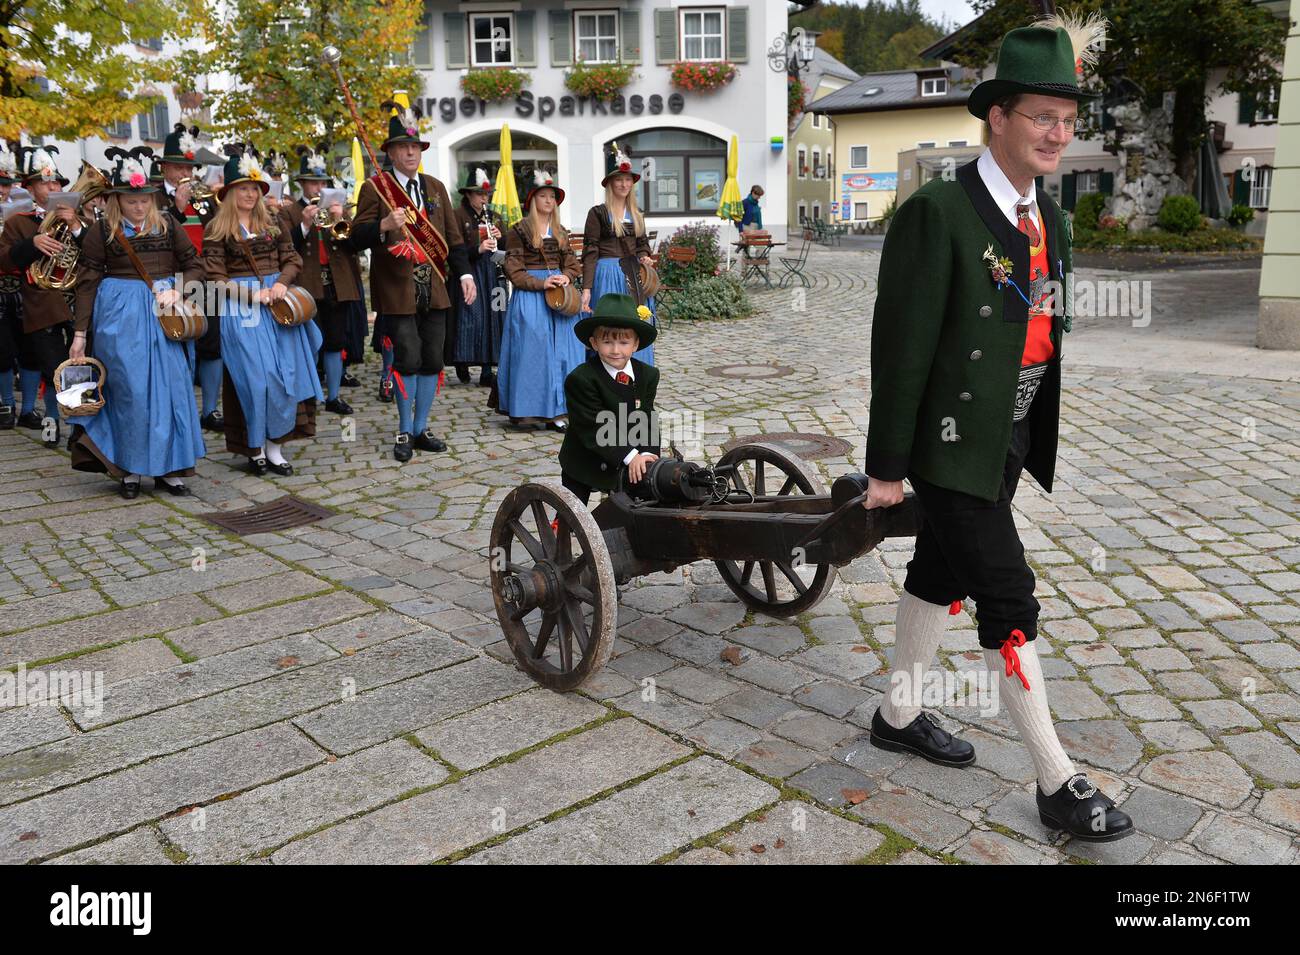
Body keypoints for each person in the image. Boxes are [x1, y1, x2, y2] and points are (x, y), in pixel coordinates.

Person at [862, 15, 1132, 842]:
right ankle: (1056, 777)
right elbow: (900, 345)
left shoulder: (1054, 219)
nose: (1059, 132)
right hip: (950, 443)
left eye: (1067, 118)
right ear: (998, 118)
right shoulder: (937, 213)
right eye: (1043, 116)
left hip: (1008, 435)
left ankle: (897, 713)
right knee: (1007, 595)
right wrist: (886, 467)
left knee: (939, 570)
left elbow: (1043, 327)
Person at [67, 146, 206, 498]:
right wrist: (80, 334)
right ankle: (129, 469)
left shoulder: (168, 224)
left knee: (171, 388)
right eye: (131, 201)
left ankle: (171, 468)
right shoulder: (102, 231)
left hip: (164, 314)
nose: (139, 207)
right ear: (117, 201)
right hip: (118, 315)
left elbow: (195, 264)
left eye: (144, 200)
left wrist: (178, 288)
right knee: (128, 392)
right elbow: (87, 282)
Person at [348, 101, 473, 462]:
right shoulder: (376, 189)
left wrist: (464, 273)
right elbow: (356, 237)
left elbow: (453, 238)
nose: (410, 152)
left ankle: (421, 427)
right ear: (389, 152)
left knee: (433, 359)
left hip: (432, 286)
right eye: (403, 147)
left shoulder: (434, 187)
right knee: (407, 358)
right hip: (398, 289)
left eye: (415, 146)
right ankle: (404, 428)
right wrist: (383, 226)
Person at [203, 147, 321, 476]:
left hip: (278, 306)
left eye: (254, 188)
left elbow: (292, 259)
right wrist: (251, 295)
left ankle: (274, 447)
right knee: (256, 380)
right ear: (229, 193)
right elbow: (214, 278)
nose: (250, 194)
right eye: (243, 188)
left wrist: (282, 283)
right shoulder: (217, 229)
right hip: (242, 310)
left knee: (284, 377)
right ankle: (253, 445)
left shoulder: (273, 222)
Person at [0, 146, 76, 449]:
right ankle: (51, 422)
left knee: (80, 366)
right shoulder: (19, 221)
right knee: (53, 366)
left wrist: (77, 227)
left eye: (56, 183)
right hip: (41, 304)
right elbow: (5, 260)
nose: (53, 187)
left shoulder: (78, 219)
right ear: (30, 188)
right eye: (45, 183)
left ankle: (81, 427)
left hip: (77, 302)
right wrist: (33, 243)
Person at [496, 168, 582, 431]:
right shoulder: (519, 230)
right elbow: (513, 269)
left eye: (552, 197)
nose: (548, 201)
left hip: (560, 298)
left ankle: (560, 411)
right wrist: (541, 282)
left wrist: (565, 277)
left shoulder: (560, 231)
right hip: (532, 299)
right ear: (533, 200)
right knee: (534, 354)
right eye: (543, 196)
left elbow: (572, 263)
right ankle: (531, 410)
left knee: (566, 354)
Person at [279, 144, 361, 417]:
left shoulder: (338, 210)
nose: (317, 188)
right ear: (302, 184)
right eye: (312, 183)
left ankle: (334, 395)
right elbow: (284, 246)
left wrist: (341, 218)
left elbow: (354, 244)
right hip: (306, 284)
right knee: (309, 341)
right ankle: (310, 393)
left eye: (321, 183)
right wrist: (303, 225)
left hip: (336, 283)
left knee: (336, 340)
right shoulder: (290, 211)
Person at [559, 293, 659, 506]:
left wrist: (647, 454)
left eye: (624, 342)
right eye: (607, 342)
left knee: (644, 493)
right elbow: (595, 426)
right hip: (586, 455)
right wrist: (630, 455)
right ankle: (562, 528)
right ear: (594, 343)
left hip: (627, 451)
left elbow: (647, 417)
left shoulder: (648, 375)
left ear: (636, 344)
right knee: (572, 511)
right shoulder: (581, 379)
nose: (615, 350)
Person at [157, 123, 224, 432]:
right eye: (178, 166)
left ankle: (210, 409)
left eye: (188, 166)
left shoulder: (207, 198)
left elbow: (215, 235)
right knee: (176, 344)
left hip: (204, 279)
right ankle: (179, 407)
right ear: (166, 168)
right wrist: (178, 208)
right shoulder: (153, 198)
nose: (185, 171)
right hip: (170, 281)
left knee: (211, 343)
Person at [580, 142, 655, 365]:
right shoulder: (598, 213)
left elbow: (642, 244)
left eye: (627, 180)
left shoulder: (636, 213)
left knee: (635, 324)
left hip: (633, 275)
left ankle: (636, 374)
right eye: (619, 180)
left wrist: (645, 256)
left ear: (632, 183)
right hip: (607, 274)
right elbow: (590, 251)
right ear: (610, 184)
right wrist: (587, 288)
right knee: (609, 326)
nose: (623, 184)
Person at [450, 167, 506, 388]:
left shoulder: (495, 217)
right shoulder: (457, 216)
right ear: (468, 195)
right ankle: (461, 359)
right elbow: (455, 249)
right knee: (471, 319)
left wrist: (502, 239)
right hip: (470, 272)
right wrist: (478, 248)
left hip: (492, 273)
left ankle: (487, 369)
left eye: (486, 194)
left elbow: (505, 250)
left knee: (494, 317)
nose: (484, 198)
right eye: (479, 194)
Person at [0, 145, 21, 430]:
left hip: (14, 289)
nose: (2, 192)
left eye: (5, 186)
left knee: (8, 349)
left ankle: (9, 402)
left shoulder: (16, 216)